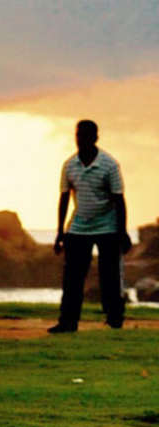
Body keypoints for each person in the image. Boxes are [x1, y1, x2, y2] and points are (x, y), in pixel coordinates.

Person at [50, 119, 131, 333]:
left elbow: (119, 200)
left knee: (110, 276)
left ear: (95, 138)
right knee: (72, 278)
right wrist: (60, 232)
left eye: (85, 136)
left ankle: (114, 319)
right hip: (78, 227)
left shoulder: (109, 164)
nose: (80, 140)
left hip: (107, 227)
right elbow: (64, 199)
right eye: (78, 135)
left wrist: (122, 233)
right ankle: (67, 322)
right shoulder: (70, 165)